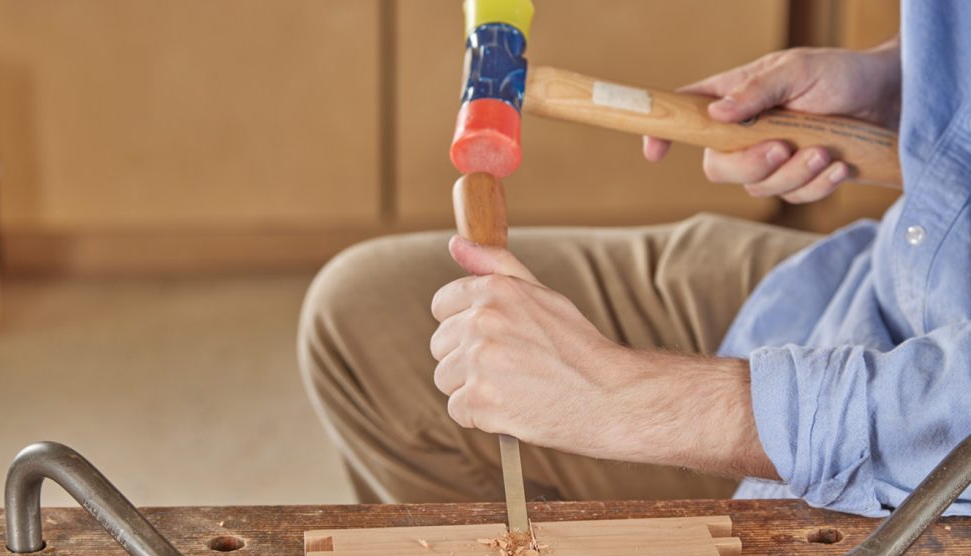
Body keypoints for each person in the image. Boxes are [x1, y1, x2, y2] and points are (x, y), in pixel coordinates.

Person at [299, 0, 971, 516]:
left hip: (931, 457)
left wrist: (626, 397)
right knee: (366, 315)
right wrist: (910, 84)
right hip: (883, 277)